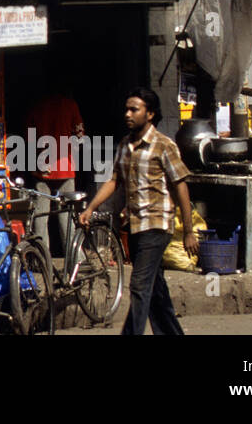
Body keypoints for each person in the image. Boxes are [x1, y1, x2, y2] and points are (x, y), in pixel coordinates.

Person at [79, 87, 197, 335]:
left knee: (139, 285)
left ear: (150, 113)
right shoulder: (125, 145)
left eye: (134, 109)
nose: (128, 114)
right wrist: (91, 207)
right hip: (134, 225)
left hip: (157, 225)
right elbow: (114, 181)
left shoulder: (164, 146)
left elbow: (181, 187)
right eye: (127, 109)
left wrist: (188, 230)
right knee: (155, 288)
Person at [25, 88, 85, 258]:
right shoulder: (70, 105)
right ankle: (74, 257)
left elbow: (29, 136)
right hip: (65, 167)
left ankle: (41, 257)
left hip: (41, 168)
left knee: (40, 215)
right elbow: (80, 134)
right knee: (66, 214)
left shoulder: (38, 106)